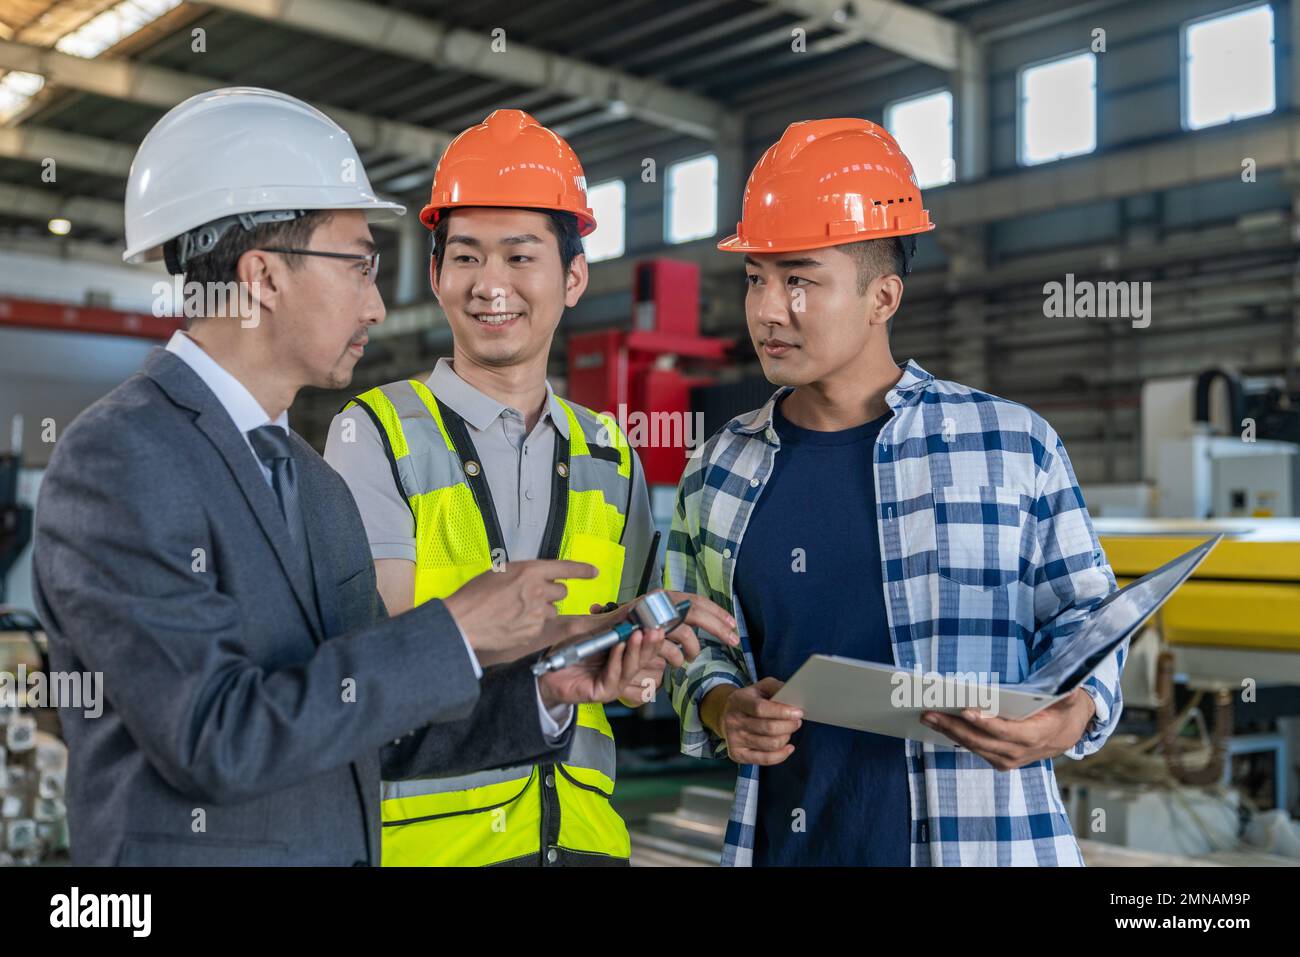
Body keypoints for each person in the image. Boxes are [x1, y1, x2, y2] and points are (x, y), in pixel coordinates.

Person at [31, 87, 672, 867]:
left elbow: (371, 720)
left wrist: (543, 689)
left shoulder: (312, 484)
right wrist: (457, 629)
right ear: (263, 277)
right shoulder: (120, 460)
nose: (376, 304)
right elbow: (212, 737)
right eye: (359, 265)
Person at [665, 118, 1124, 866]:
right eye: (756, 277)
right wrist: (723, 707)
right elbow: (693, 644)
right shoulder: (717, 468)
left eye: (800, 279)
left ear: (883, 296)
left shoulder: (1011, 445)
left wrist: (1072, 714)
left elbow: (1089, 619)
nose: (768, 310)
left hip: (986, 847)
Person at [325, 108, 736, 866]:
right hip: (432, 848)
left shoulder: (612, 453)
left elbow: (630, 639)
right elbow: (384, 663)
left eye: (520, 257)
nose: (491, 286)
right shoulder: (374, 433)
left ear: (573, 277)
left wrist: (642, 667)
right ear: (438, 273)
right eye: (468, 257)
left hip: (585, 841)